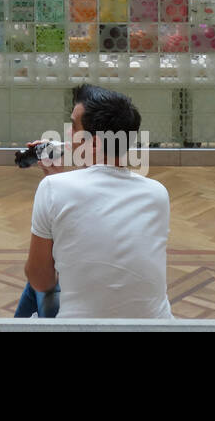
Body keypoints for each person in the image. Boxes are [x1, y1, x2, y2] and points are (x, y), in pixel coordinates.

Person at [22, 84, 172, 319]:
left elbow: (41, 280)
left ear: (93, 143)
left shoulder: (53, 189)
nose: (68, 133)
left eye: (73, 126)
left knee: (35, 280)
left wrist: (55, 181)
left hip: (81, 326)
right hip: (157, 325)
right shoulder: (158, 194)